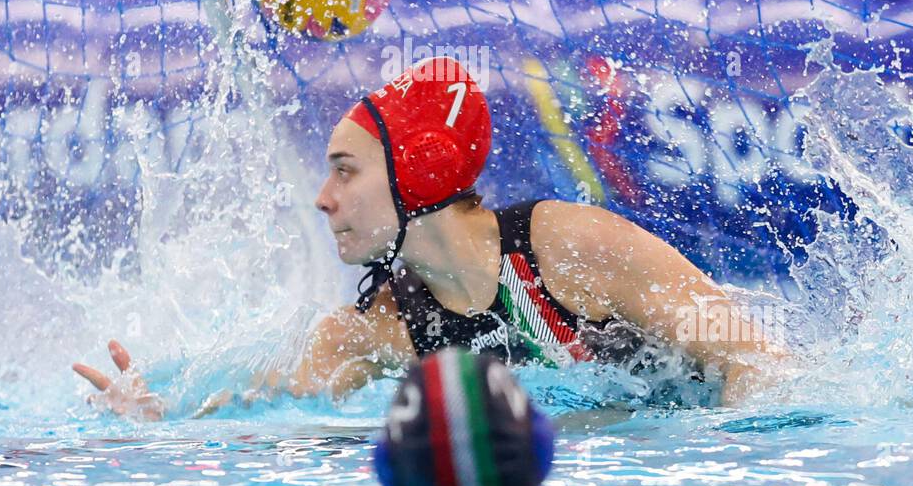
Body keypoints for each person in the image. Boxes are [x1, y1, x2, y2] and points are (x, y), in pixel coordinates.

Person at [74, 57, 786, 419]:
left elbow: (756, 357)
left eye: (345, 172)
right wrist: (156, 421)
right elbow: (267, 418)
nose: (323, 199)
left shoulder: (570, 247)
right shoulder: (374, 330)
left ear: (420, 170)